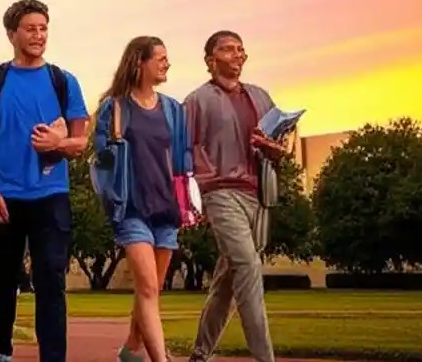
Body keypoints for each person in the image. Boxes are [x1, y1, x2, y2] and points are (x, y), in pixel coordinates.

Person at [0, 0, 89, 362]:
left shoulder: (64, 81)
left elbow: (81, 142)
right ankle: (1, 353)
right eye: (30, 28)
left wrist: (59, 143)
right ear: (12, 34)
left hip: (51, 194)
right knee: (3, 279)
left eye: (43, 28)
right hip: (3, 195)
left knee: (51, 280)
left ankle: (53, 357)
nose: (38, 35)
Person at [184, 31, 289, 362]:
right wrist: (204, 181)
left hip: (256, 196)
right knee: (248, 266)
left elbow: (280, 147)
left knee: (228, 279)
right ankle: (265, 358)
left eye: (241, 49)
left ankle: (200, 354)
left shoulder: (260, 97)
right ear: (210, 60)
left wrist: (276, 150)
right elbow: (184, 148)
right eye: (228, 49)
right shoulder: (197, 100)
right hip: (220, 192)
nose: (237, 55)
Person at [92, 37, 191, 362]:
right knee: (148, 288)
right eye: (160, 58)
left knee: (152, 290)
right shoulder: (115, 107)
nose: (166, 64)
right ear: (139, 63)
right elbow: (101, 159)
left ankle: (131, 349)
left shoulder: (173, 110)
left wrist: (188, 203)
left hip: (167, 209)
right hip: (131, 209)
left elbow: (183, 160)